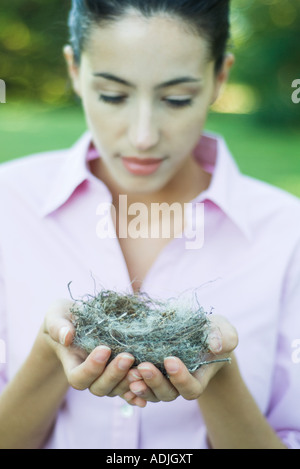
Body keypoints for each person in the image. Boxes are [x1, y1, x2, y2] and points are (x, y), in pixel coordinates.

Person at [0, 0, 299, 450]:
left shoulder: (287, 232)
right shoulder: (10, 203)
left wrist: (217, 371)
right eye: (113, 95)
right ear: (75, 70)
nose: (143, 135)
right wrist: (50, 352)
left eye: (177, 99)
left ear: (220, 77)